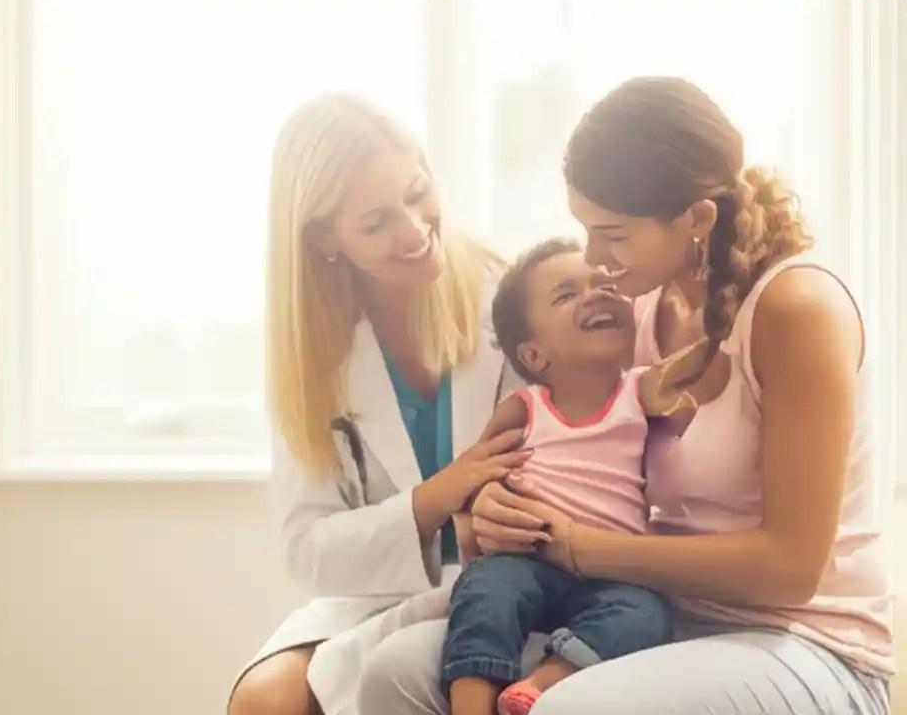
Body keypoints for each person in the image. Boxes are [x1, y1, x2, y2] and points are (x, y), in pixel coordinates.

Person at [357, 76, 894, 714]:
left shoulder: (796, 309)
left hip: (802, 641)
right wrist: (492, 509)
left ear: (696, 218)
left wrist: (582, 550)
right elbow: (567, 449)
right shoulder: (633, 314)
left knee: (571, 708)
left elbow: (792, 567)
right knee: (390, 672)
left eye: (612, 235)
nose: (594, 258)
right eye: (585, 229)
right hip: (652, 617)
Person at [226, 93, 531, 715]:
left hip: (513, 582)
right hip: (385, 594)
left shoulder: (516, 298)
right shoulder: (314, 355)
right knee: (264, 701)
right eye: (375, 223)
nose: (414, 231)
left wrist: (484, 518)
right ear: (324, 239)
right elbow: (307, 548)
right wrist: (434, 501)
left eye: (417, 194)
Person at [446, 238, 701, 715]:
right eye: (567, 295)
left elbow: (703, 366)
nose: (597, 294)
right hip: (525, 562)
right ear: (535, 355)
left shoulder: (640, 389)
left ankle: (543, 683)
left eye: (606, 284)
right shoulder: (522, 409)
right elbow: (475, 475)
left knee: (646, 614)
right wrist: (481, 501)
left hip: (612, 574)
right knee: (484, 590)